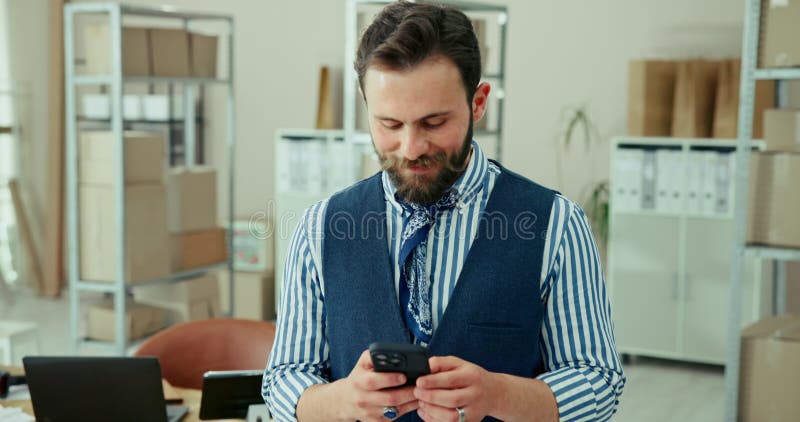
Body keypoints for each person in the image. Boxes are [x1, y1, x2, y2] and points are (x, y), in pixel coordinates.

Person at [263, 1, 625, 421]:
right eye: (390, 125)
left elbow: (599, 381)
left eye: (434, 123)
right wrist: (344, 400)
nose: (411, 148)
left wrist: (499, 394)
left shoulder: (557, 226)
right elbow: (283, 379)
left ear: (479, 103)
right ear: (365, 104)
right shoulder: (319, 228)